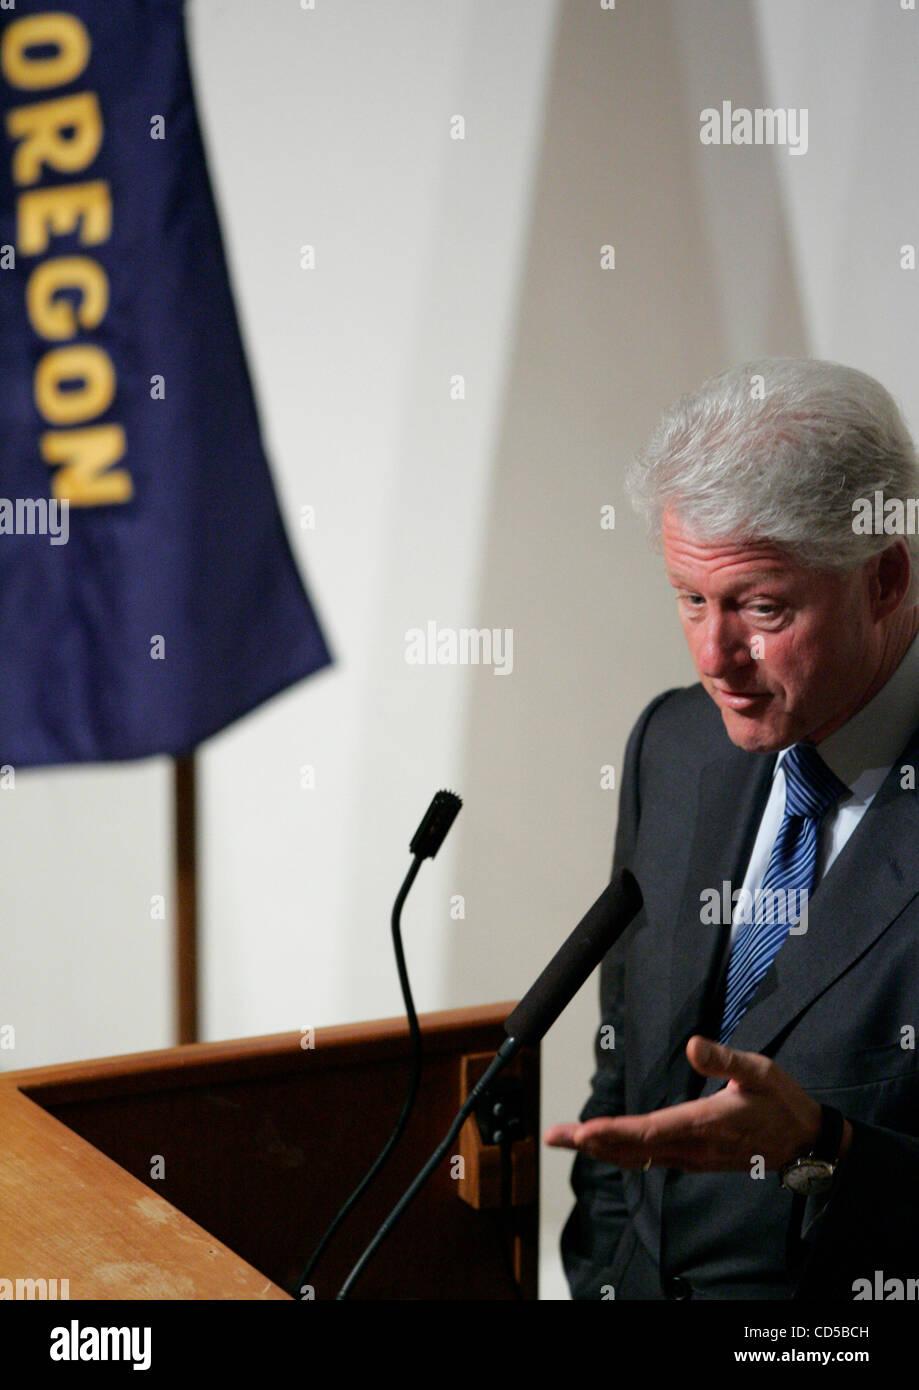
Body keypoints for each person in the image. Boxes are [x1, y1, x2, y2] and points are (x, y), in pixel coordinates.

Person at [545, 359, 919, 1300]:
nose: (716, 657)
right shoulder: (672, 745)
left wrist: (820, 1148)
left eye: (762, 607)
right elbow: (627, 1066)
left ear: (884, 578)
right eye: (688, 598)